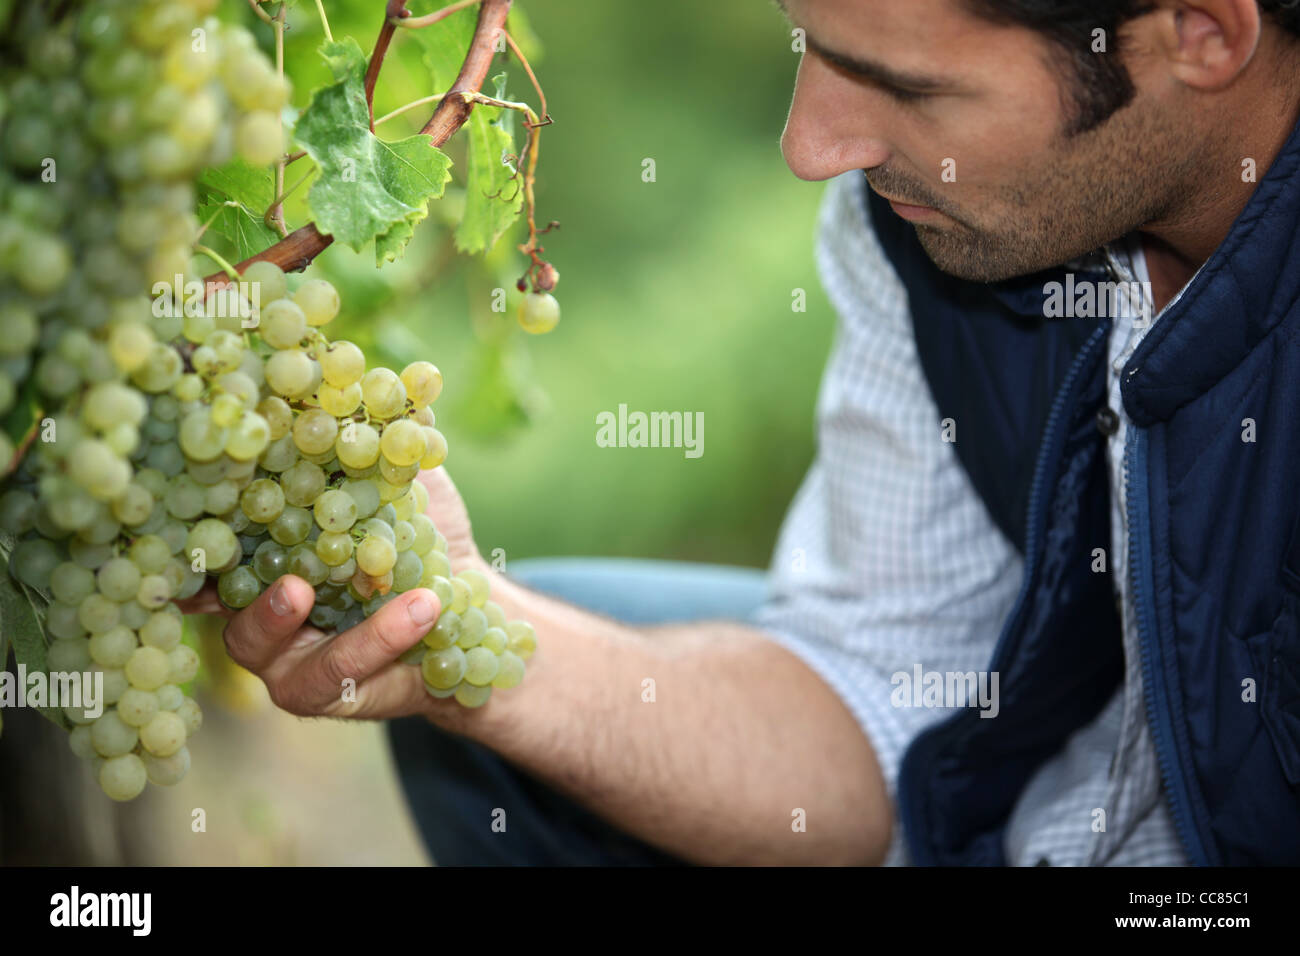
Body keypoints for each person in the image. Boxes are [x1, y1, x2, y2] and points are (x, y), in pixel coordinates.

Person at [181, 0, 1300, 865]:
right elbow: (874, 698)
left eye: (899, 83)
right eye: (805, 40)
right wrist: (456, 627)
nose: (811, 145)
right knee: (504, 716)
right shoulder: (933, 225)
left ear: (1199, 33)